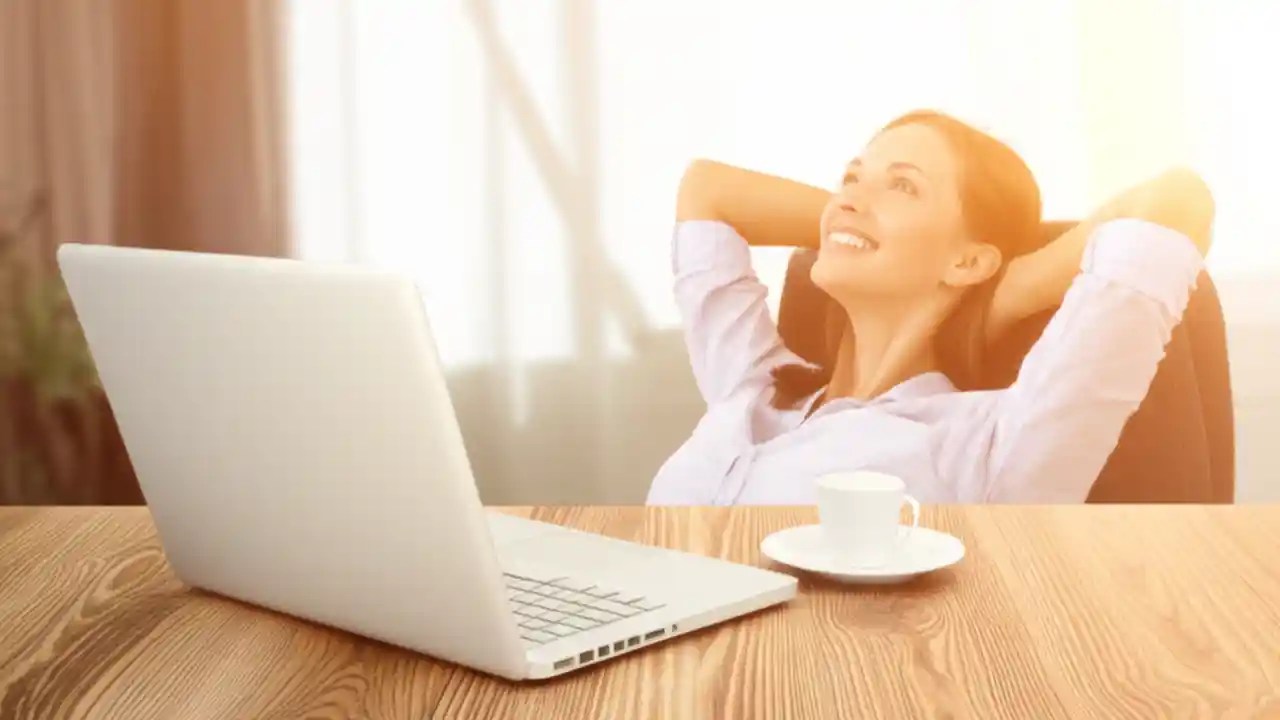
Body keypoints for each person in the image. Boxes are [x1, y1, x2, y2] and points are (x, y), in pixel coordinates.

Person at [646, 110, 1214, 505]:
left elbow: (1174, 201)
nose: (848, 197)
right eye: (851, 176)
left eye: (903, 187)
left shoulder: (993, 446)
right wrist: (868, 226)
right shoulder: (753, 387)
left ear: (971, 263)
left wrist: (1009, 286)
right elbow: (706, 189)